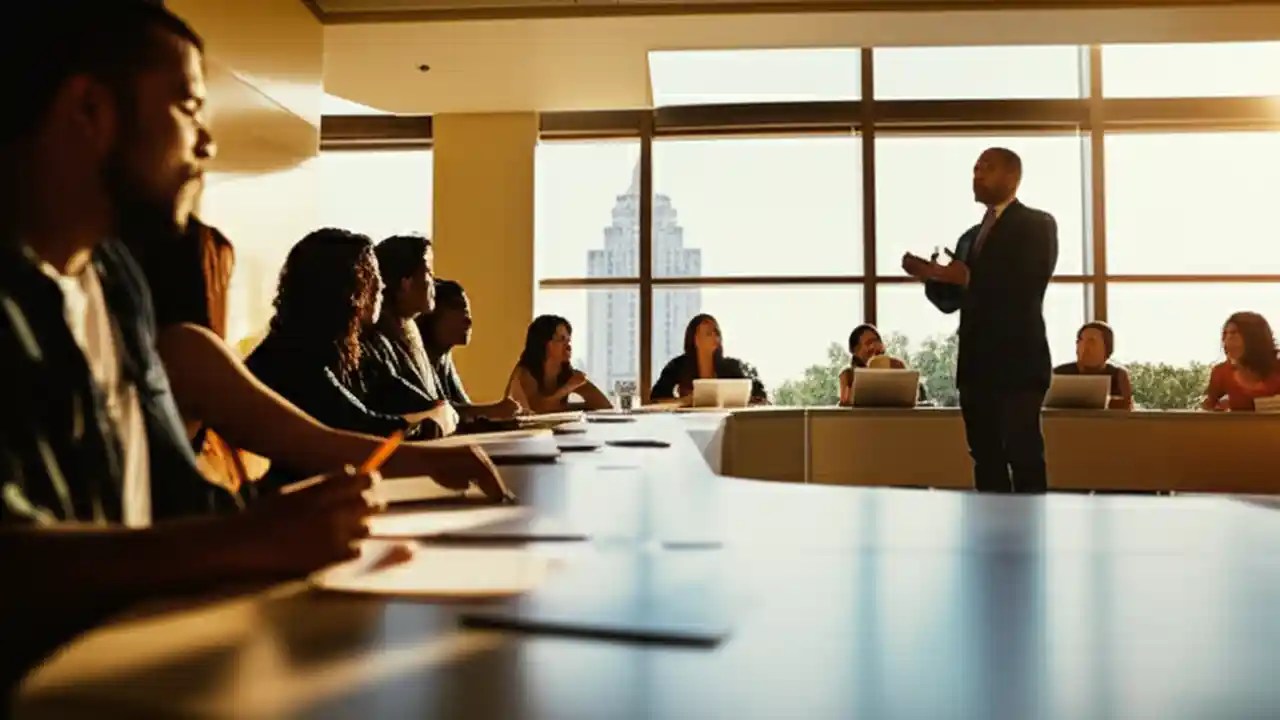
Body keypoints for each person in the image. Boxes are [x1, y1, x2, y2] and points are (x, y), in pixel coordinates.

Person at [0, 1, 377, 695]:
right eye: (188, 107)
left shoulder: (116, 283)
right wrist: (253, 540)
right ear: (89, 109)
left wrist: (301, 528)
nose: (206, 144)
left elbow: (174, 492)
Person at [902, 147, 1059, 493]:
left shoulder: (1037, 224)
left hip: (1019, 362)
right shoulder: (969, 237)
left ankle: (1032, 536)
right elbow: (951, 302)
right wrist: (930, 276)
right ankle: (990, 539)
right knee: (985, 457)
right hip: (975, 367)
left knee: (1023, 453)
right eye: (974, 169)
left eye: (986, 168)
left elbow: (1029, 282)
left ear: (1012, 177)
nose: (977, 175)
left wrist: (969, 278)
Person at [245, 229, 458, 454]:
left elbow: (418, 404)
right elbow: (369, 432)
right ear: (352, 288)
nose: (382, 286)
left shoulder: (350, 353)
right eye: (374, 277)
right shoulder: (294, 357)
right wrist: (431, 421)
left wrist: (433, 416)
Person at [364, 233, 458, 435]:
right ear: (405, 282)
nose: (434, 284)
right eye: (429, 273)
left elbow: (442, 404)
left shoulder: (411, 328)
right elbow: (422, 406)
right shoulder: (378, 337)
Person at [418, 278, 522, 421]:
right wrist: (493, 410)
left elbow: (462, 408)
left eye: (467, 311)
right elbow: (431, 413)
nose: (468, 320)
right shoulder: (418, 357)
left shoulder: (443, 359)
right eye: (457, 308)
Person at [650, 314, 767, 404]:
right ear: (695, 339)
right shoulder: (677, 365)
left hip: (724, 422)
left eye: (717, 333)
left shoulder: (731, 366)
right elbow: (656, 398)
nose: (715, 337)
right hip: (687, 422)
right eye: (708, 334)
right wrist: (685, 401)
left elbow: (758, 395)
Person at [508, 315, 612, 413]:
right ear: (544, 343)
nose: (568, 347)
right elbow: (537, 410)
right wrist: (568, 388)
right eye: (562, 340)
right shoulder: (524, 373)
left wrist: (568, 407)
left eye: (568, 340)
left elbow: (604, 406)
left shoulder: (568, 374)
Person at [1202, 312, 1280, 412]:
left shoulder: (1277, 369)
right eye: (1225, 334)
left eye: (1234, 333)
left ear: (1255, 337)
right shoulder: (1221, 373)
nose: (1227, 339)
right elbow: (1208, 413)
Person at [838, 324, 924, 406]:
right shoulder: (848, 375)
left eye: (877, 341)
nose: (875, 346)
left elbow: (912, 400)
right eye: (869, 343)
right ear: (856, 351)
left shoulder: (896, 366)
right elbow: (845, 407)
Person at [1054, 322, 1134, 410]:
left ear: (1107, 348)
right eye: (1080, 341)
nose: (1085, 347)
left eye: (1091, 342)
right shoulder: (1058, 374)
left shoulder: (1119, 376)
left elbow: (1128, 410)